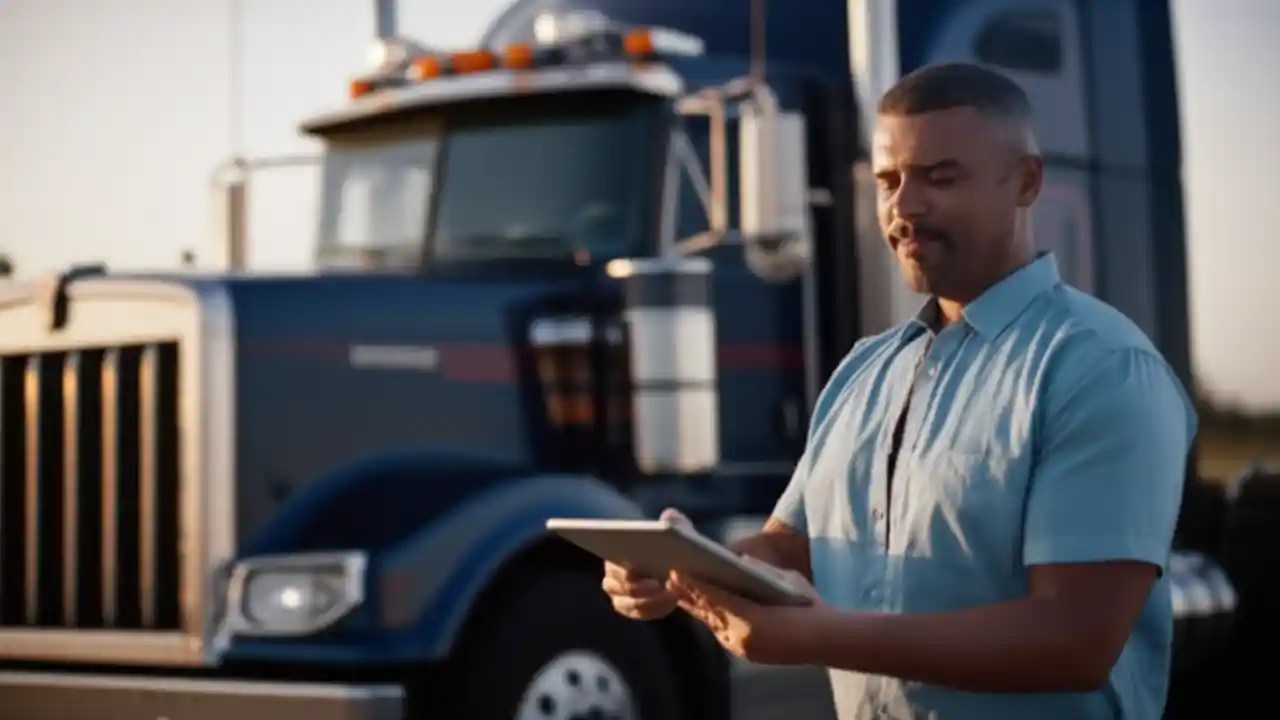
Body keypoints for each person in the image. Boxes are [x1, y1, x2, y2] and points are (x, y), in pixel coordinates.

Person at [601, 61, 1196, 719]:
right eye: (889, 181)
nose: (904, 207)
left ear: (1026, 182)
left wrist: (825, 636)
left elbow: (1075, 641)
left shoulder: (1100, 369)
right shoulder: (864, 371)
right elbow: (788, 549)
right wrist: (685, 566)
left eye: (940, 178)